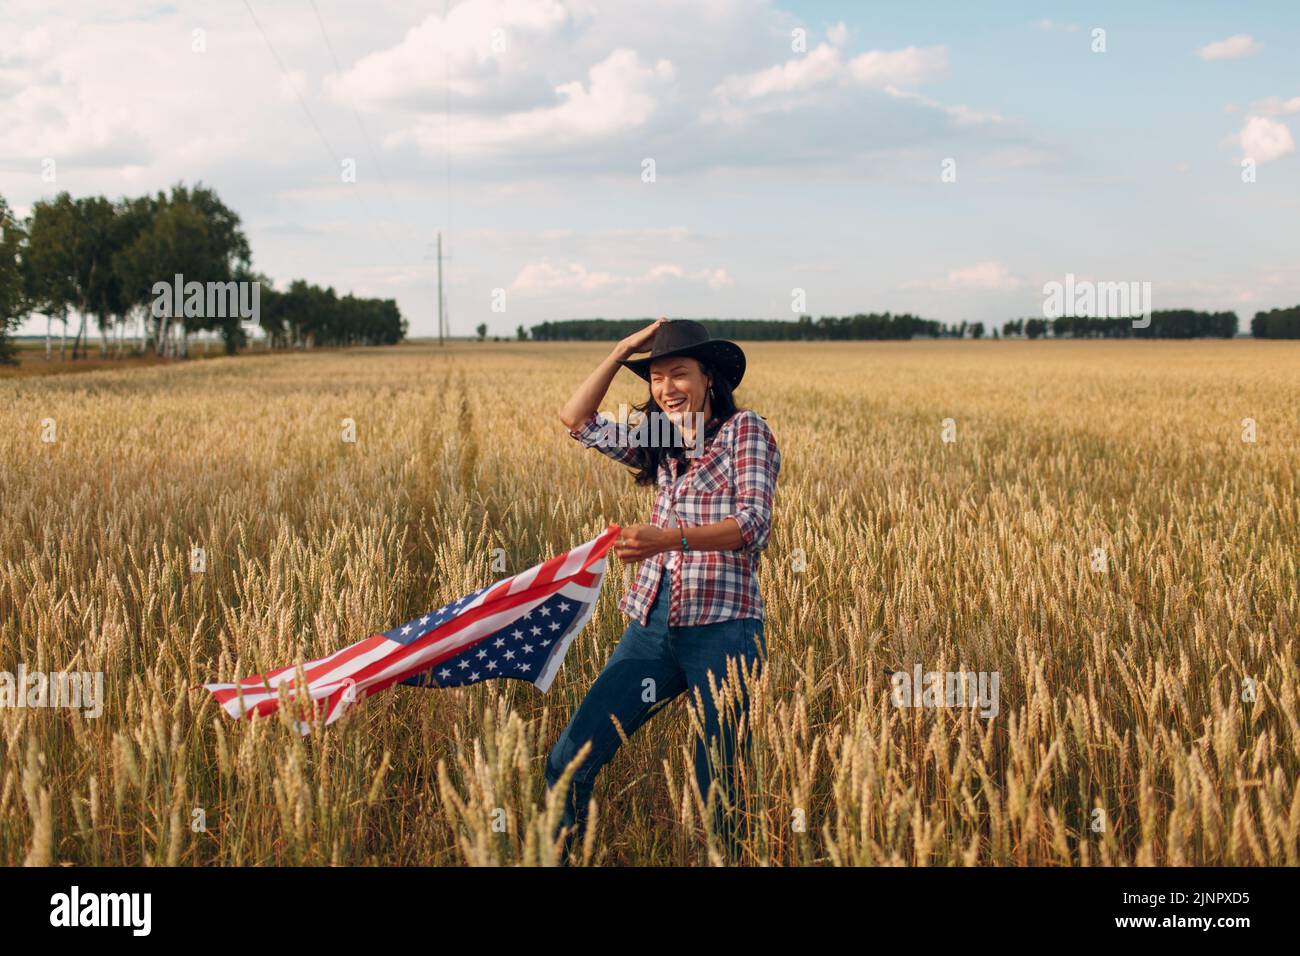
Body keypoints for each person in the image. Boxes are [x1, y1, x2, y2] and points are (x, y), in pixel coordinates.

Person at [546, 317, 782, 862]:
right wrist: (623, 348)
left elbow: (753, 525)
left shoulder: (745, 431)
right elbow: (576, 419)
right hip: (652, 627)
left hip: (724, 631)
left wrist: (667, 539)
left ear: (709, 379)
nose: (666, 388)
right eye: (654, 378)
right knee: (569, 761)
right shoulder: (660, 441)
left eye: (679, 373)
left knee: (719, 794)